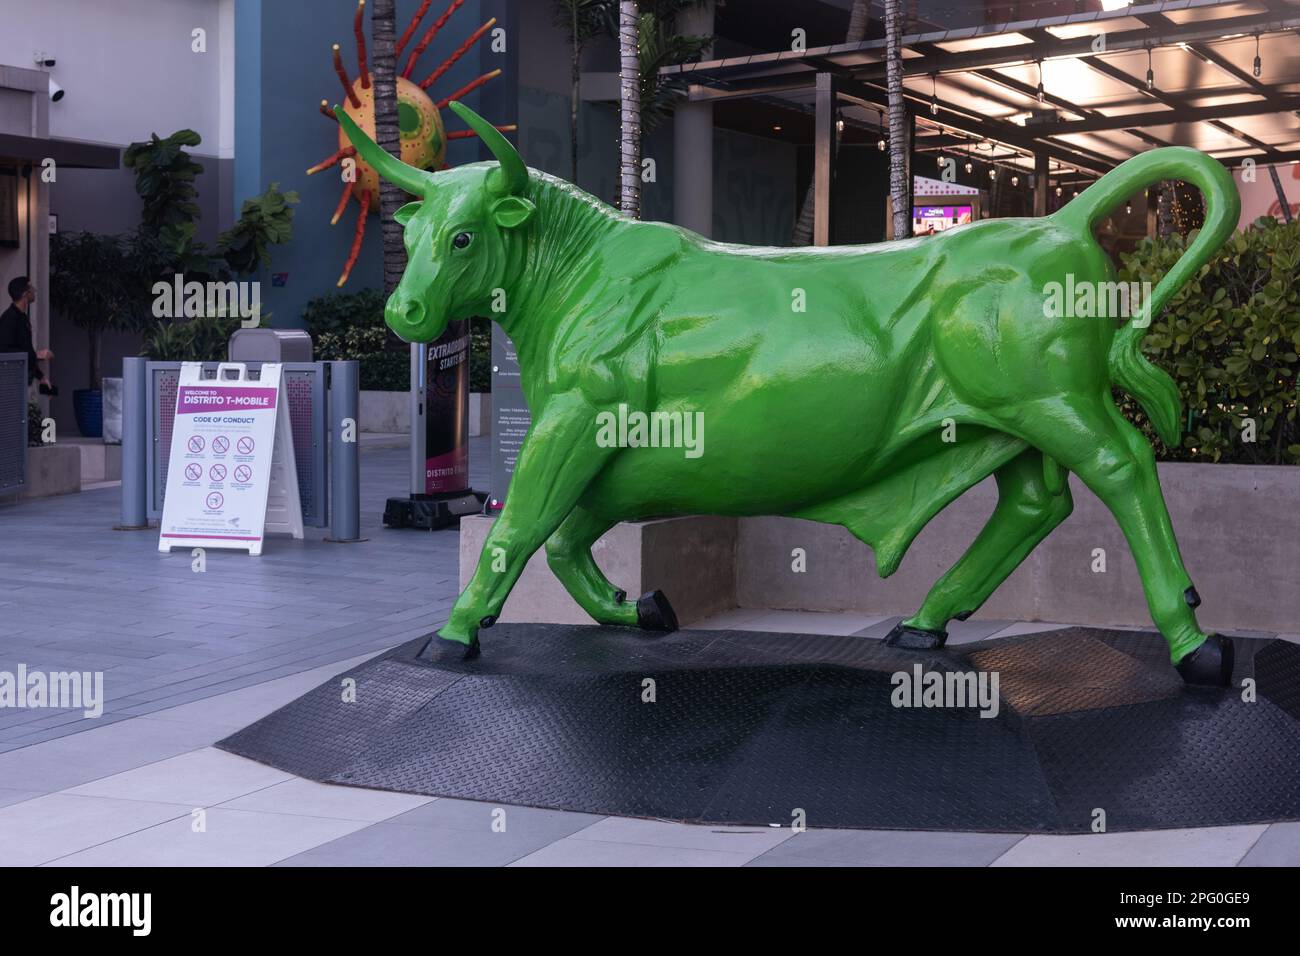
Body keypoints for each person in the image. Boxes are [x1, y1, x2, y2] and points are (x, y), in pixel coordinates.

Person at [0, 275, 56, 394]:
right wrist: (37, 355)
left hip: (20, 380)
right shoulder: (8, 319)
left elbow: (25, 349)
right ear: (25, 293)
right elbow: (4, 350)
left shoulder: (22, 318)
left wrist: (40, 377)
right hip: (9, 383)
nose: (34, 291)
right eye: (31, 288)